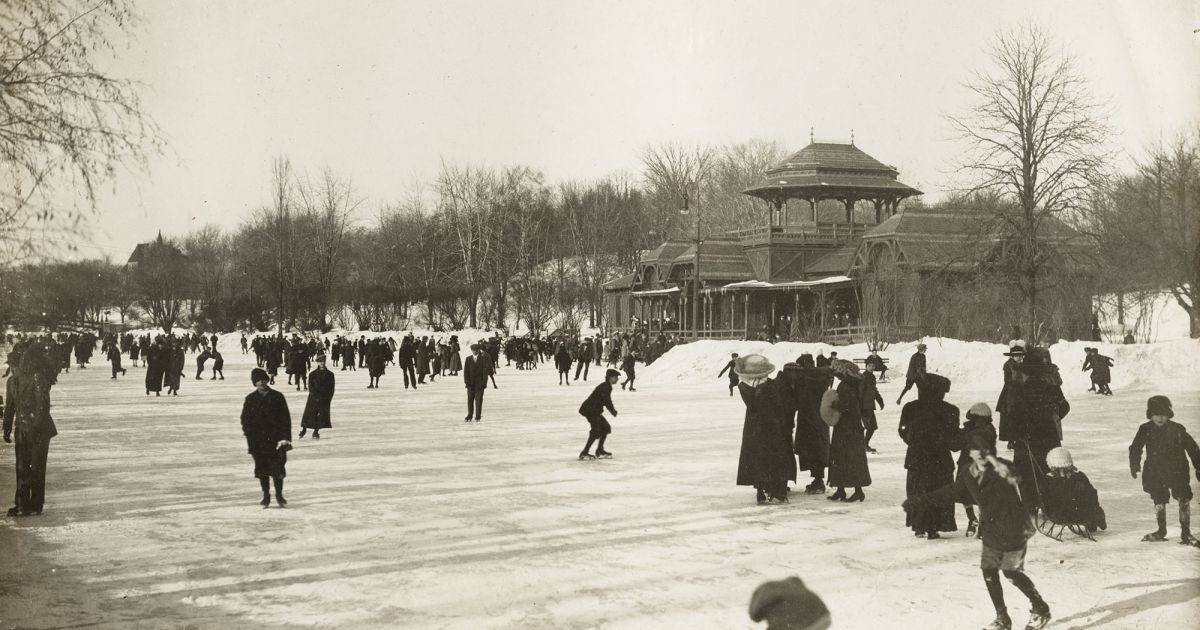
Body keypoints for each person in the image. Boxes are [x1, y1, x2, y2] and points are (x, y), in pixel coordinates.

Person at [903, 435, 1051, 630]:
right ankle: (1002, 618)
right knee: (989, 572)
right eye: (976, 452)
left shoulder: (1003, 469)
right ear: (971, 454)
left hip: (1013, 527)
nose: (980, 456)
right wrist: (920, 500)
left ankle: (1040, 608)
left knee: (1010, 572)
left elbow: (1023, 487)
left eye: (984, 452)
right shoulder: (968, 473)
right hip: (992, 529)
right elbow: (952, 491)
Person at [997, 347, 1069, 516]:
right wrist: (1052, 419)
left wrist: (1015, 433)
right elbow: (1064, 406)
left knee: (1025, 471)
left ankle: (1030, 506)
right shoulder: (1051, 384)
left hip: (1026, 437)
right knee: (1049, 469)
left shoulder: (1019, 385)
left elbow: (1011, 411)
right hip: (1049, 436)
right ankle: (1049, 505)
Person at [1129, 395, 1200, 545]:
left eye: (1163, 414)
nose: (1160, 418)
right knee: (1159, 499)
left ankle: (1186, 533)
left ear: (1168, 414)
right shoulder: (1145, 429)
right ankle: (1161, 531)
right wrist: (1134, 464)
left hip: (1177, 470)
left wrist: (1198, 467)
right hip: (1155, 471)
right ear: (1150, 415)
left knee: (1183, 498)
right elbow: (1135, 447)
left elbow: (1193, 448)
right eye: (1156, 414)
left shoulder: (1177, 429)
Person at [899, 373, 960, 539]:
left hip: (917, 458)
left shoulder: (910, 408)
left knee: (918, 490)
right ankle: (934, 527)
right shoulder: (950, 410)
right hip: (941, 460)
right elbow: (954, 441)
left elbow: (903, 432)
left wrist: (914, 442)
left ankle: (919, 525)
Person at [3, 344, 58, 517]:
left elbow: (43, 406)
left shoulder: (37, 378)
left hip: (40, 430)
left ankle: (36, 504)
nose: (13, 368)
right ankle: (21, 504)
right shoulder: (12, 382)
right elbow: (10, 407)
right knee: (21, 467)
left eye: (15, 365)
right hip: (22, 428)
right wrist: (7, 427)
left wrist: (36, 427)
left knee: (37, 469)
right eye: (11, 366)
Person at [734, 354, 794, 504]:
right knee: (774, 459)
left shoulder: (745, 387)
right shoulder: (770, 387)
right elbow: (778, 407)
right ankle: (775, 491)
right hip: (771, 427)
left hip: (753, 427)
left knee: (756, 459)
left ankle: (760, 490)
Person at [240, 368, 292, 508]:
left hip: (276, 440)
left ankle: (279, 495)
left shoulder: (277, 396)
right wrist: (250, 435)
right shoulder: (250, 399)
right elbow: (245, 420)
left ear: (267, 380)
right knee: (262, 469)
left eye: (263, 379)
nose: (261, 382)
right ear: (254, 383)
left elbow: (285, 418)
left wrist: (285, 438)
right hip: (258, 441)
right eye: (258, 380)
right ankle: (266, 495)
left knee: (277, 469)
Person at [826, 360, 871, 502]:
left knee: (845, 458)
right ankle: (842, 489)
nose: (836, 374)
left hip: (847, 428)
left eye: (837, 372)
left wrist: (833, 404)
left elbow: (846, 406)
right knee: (849, 458)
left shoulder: (846, 386)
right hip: (851, 427)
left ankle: (856, 491)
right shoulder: (853, 384)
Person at [1041, 446, 1107, 534]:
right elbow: (1091, 494)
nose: (1065, 473)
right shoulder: (1078, 477)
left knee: (1087, 502)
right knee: (1091, 507)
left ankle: (1094, 517)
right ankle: (1095, 517)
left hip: (1062, 514)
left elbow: (1044, 500)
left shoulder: (1048, 480)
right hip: (1067, 513)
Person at [958, 402, 998, 537]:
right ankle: (981, 523)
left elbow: (957, 444)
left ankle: (972, 519)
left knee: (965, 493)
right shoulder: (990, 430)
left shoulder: (968, 430)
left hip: (966, 464)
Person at [747, 576, 831, 630]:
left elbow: (755, 616)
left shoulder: (761, 600)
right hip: (824, 616)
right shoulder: (785, 590)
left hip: (806, 623)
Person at [578, 369, 620, 460]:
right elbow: (607, 400)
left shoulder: (606, 386)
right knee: (596, 430)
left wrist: (612, 410)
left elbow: (606, 400)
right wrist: (612, 411)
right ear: (610, 378)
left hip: (593, 410)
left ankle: (599, 450)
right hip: (590, 410)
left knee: (605, 427)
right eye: (616, 377)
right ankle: (584, 452)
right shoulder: (606, 387)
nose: (617, 379)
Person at [299, 356, 334, 440]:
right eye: (320, 361)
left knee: (321, 415)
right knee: (309, 414)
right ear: (317, 363)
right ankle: (304, 429)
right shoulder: (312, 374)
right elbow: (310, 387)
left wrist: (328, 398)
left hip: (324, 398)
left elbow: (331, 388)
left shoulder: (330, 374)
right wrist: (315, 396)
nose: (322, 363)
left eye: (323, 361)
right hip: (313, 398)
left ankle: (316, 431)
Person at [463, 343, 492, 422]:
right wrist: (467, 383)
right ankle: (469, 415)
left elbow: (485, 372)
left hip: (480, 384)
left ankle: (478, 415)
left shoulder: (483, 359)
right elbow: (466, 372)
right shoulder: (468, 359)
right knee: (470, 400)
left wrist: (484, 383)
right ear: (471, 350)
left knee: (479, 400)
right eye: (473, 350)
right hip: (470, 384)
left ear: (478, 350)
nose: (474, 352)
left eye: (476, 350)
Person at [860, 368, 884, 454]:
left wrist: (880, 400)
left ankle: (864, 444)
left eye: (873, 365)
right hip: (865, 406)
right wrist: (860, 405)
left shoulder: (872, 376)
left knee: (872, 426)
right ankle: (863, 445)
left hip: (869, 406)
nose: (872, 367)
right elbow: (860, 391)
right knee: (870, 426)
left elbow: (874, 390)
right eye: (869, 365)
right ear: (866, 366)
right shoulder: (864, 376)